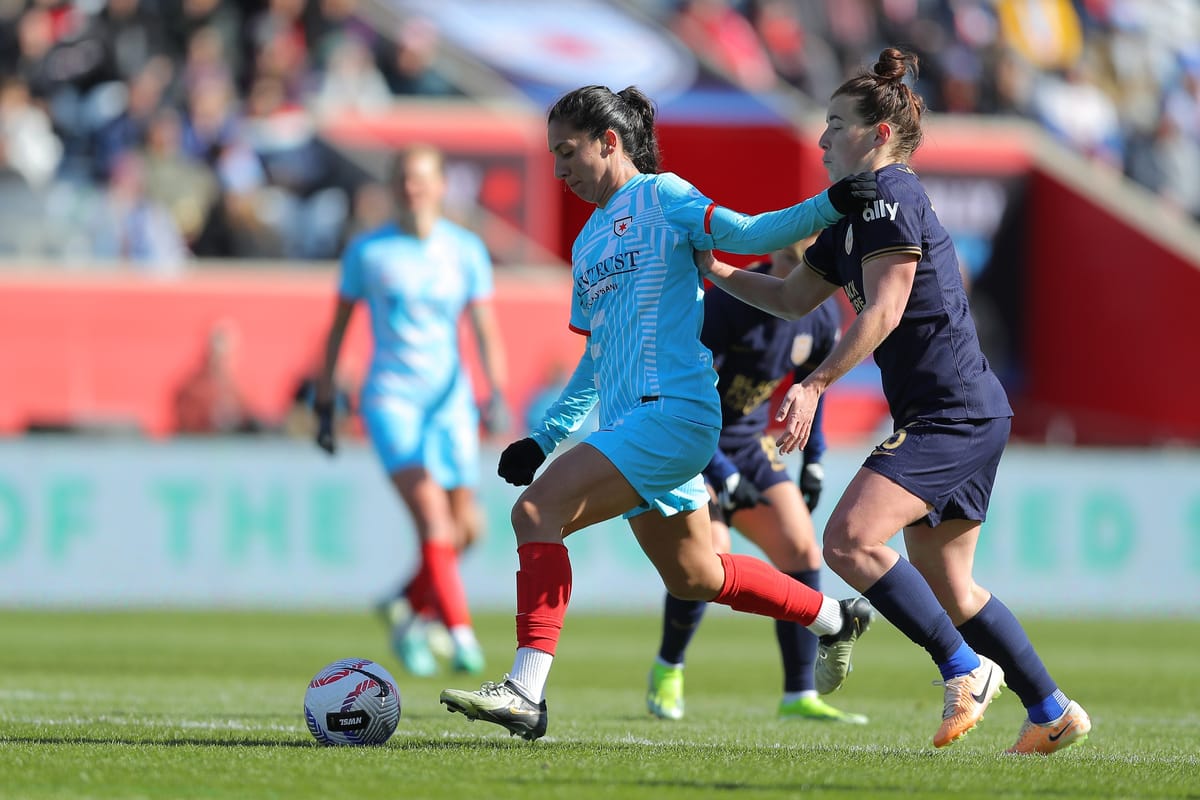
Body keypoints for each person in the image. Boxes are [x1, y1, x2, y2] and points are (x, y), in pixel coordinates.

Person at [439, 84, 878, 741]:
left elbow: (750, 233)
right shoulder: (588, 242)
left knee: (535, 512)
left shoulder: (665, 197)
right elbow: (595, 358)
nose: (559, 170)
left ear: (609, 143)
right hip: (631, 425)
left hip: (674, 413)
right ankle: (834, 619)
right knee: (696, 575)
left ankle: (526, 691)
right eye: (552, 156)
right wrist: (545, 436)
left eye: (568, 152)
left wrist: (832, 203)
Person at [696, 48, 1091, 755]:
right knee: (956, 592)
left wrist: (814, 386)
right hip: (962, 411)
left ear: (879, 132)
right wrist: (716, 269)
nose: (821, 139)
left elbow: (884, 311)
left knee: (848, 540)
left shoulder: (889, 197)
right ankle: (1052, 708)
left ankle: (964, 669)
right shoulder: (854, 219)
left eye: (835, 123)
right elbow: (790, 299)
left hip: (952, 412)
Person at [646, 241, 867, 725]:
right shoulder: (730, 301)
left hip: (747, 444)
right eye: (796, 240)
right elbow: (686, 393)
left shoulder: (822, 313)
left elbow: (816, 385)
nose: (805, 245)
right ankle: (669, 666)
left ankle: (798, 693)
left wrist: (815, 459)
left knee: (802, 551)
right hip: (691, 441)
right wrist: (721, 474)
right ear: (775, 251)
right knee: (707, 557)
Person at [314, 144, 510, 678]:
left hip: (451, 403)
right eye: (402, 177)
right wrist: (326, 401)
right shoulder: (368, 251)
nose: (411, 188)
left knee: (468, 529)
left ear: (442, 185)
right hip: (391, 400)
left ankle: (404, 609)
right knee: (433, 516)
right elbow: (338, 329)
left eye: (421, 178)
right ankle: (460, 633)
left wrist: (495, 392)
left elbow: (485, 329)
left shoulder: (465, 250)